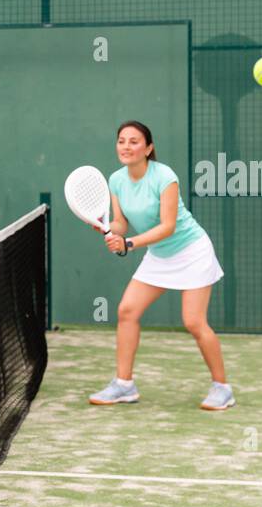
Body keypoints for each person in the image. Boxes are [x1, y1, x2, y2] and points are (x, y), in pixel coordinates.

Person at [88, 120, 234, 411]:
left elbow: (168, 227)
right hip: (158, 254)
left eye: (134, 141)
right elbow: (121, 222)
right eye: (121, 141)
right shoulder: (116, 180)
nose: (126, 147)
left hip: (191, 251)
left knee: (193, 321)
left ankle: (222, 388)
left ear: (148, 148)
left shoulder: (164, 176)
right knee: (127, 311)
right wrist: (107, 227)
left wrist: (128, 244)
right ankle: (124, 384)